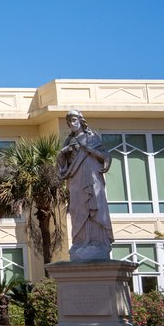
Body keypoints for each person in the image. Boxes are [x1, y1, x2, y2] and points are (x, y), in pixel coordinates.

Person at [56, 110, 114, 261]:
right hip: (75, 179)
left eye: (74, 120)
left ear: (81, 121)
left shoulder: (91, 137)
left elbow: (105, 156)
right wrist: (62, 154)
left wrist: (89, 150)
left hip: (92, 175)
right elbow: (62, 165)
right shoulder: (68, 141)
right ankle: (81, 242)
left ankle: (98, 242)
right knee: (78, 209)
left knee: (95, 206)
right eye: (69, 122)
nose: (72, 124)